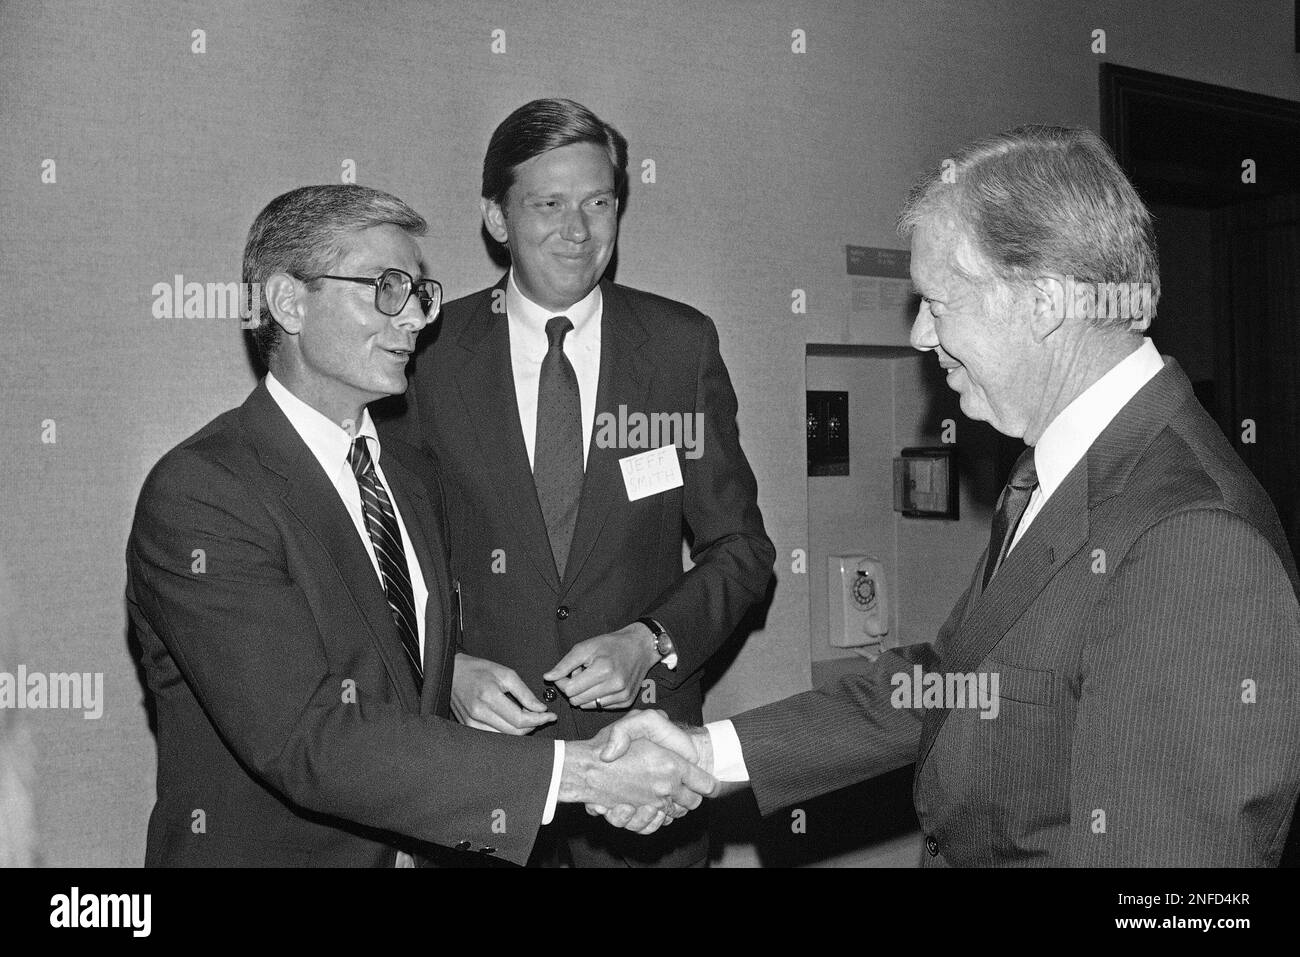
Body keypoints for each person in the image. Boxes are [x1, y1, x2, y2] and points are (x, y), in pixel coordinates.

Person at [598, 126, 1300, 866]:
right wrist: (709, 753)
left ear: (1045, 301)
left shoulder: (1193, 535)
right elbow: (954, 686)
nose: (922, 333)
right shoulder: (1060, 468)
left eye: (938, 300)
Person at [126, 184, 715, 867]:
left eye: (420, 293)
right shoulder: (204, 493)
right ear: (288, 302)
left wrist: (452, 677)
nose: (414, 319)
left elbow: (390, 669)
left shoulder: (406, 474)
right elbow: (310, 738)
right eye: (386, 287)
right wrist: (579, 773)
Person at [379, 98, 775, 867]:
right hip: (483, 773)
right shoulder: (425, 352)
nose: (578, 230)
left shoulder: (678, 346)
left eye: (599, 202)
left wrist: (651, 642)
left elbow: (741, 550)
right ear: (497, 218)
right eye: (549, 204)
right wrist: (446, 669)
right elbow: (385, 558)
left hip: (643, 774)